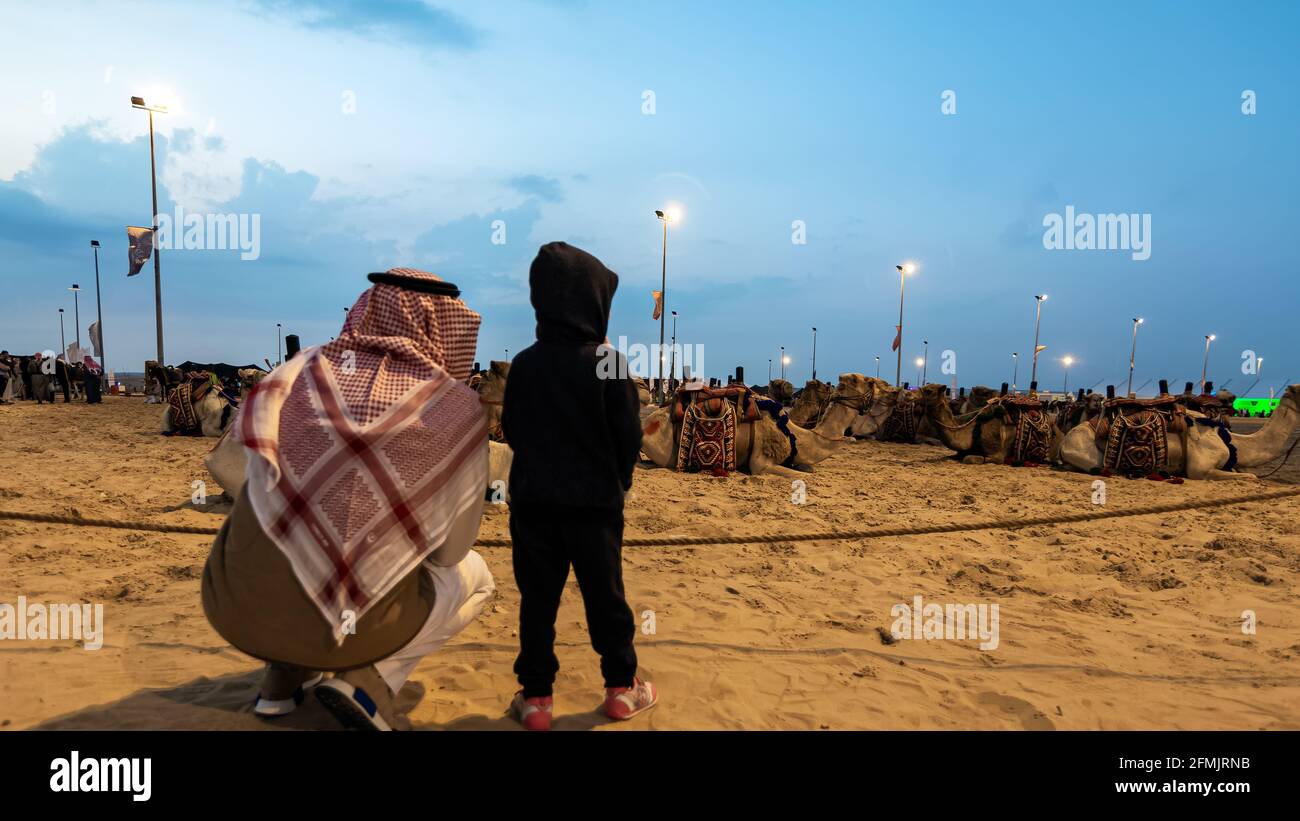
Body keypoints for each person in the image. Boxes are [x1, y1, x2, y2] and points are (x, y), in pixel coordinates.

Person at [201, 268, 495, 731]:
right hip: (352, 629)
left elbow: (248, 485)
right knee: (475, 575)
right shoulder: (451, 408)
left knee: (292, 538)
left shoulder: (289, 377)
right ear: (446, 326)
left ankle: (280, 681)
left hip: (234, 605)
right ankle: (371, 682)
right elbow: (449, 554)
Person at [501, 242, 657, 731]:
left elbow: (514, 430)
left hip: (533, 506)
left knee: (537, 603)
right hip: (594, 507)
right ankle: (620, 690)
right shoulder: (609, 363)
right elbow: (628, 436)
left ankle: (537, 699)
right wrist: (619, 482)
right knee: (606, 596)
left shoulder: (525, 364)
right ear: (593, 301)